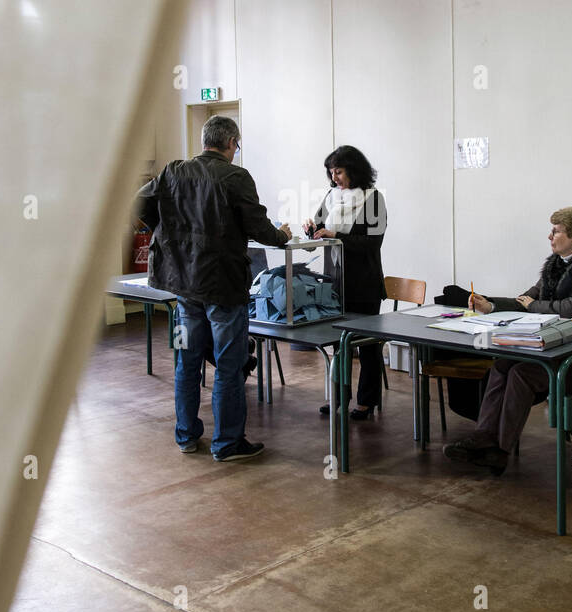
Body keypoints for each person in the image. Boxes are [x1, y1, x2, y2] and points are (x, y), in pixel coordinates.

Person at [135, 115, 290, 462]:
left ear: (204, 141)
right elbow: (260, 228)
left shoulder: (174, 171)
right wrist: (282, 235)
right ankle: (227, 443)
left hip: (183, 287)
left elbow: (138, 202)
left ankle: (186, 436)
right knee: (228, 365)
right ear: (231, 142)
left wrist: (165, 231)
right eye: (237, 145)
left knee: (186, 362)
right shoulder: (236, 177)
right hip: (222, 287)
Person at [444, 207, 572, 474]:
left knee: (522, 374)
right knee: (503, 365)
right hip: (557, 346)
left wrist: (534, 305)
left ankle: (500, 450)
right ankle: (484, 437)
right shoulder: (554, 266)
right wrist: (490, 305)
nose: (549, 236)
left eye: (556, 231)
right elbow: (525, 300)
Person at [304, 145, 386, 420]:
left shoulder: (373, 199)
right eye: (331, 172)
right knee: (338, 344)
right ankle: (339, 397)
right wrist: (312, 229)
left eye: (339, 171)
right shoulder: (331, 196)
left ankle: (366, 401)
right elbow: (319, 226)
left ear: (354, 169)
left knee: (367, 346)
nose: (334, 177)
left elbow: (372, 244)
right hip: (336, 282)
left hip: (364, 283)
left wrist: (336, 234)